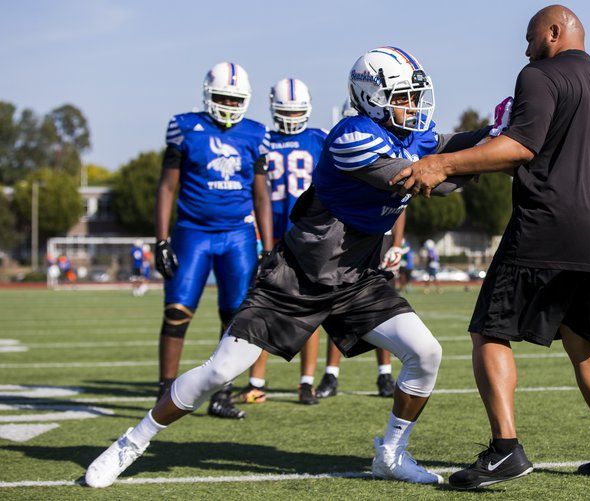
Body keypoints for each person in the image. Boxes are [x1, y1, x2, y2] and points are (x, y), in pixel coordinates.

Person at [85, 46, 495, 488]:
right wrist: (485, 161)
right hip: (298, 277)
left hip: (357, 276)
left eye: (414, 96)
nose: (412, 106)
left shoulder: (410, 132)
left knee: (426, 352)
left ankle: (391, 454)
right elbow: (427, 178)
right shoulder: (352, 136)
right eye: (402, 97)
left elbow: (446, 146)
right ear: (371, 97)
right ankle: (132, 441)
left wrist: (501, 131)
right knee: (221, 370)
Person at [390, 6, 590, 488]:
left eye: (530, 38)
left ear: (554, 32)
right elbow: (542, 155)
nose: (525, 50)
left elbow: (520, 147)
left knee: (489, 329)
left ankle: (505, 449)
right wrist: (481, 159)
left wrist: (443, 164)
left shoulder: (539, 75)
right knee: (583, 340)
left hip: (551, 221)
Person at [152, 62, 273, 420]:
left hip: (237, 234)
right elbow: (167, 187)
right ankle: (165, 389)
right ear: (208, 95)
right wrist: (161, 240)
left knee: (236, 318)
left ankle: (223, 393)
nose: (229, 105)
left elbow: (262, 195)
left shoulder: (256, 133)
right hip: (193, 231)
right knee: (177, 311)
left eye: (235, 99)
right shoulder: (184, 128)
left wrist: (267, 247)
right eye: (223, 97)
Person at [234, 78, 328, 406]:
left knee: (310, 311)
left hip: (308, 237)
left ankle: (306, 382)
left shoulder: (319, 139)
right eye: (286, 112)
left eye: (297, 112)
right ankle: (256, 382)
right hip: (272, 236)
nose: (291, 118)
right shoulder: (263, 139)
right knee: (261, 310)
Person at [314, 212, 405, 400]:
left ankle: (385, 374)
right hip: (349, 235)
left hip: (382, 238)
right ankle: (331, 375)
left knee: (383, 308)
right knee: (338, 305)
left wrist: (397, 245)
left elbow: (403, 203)